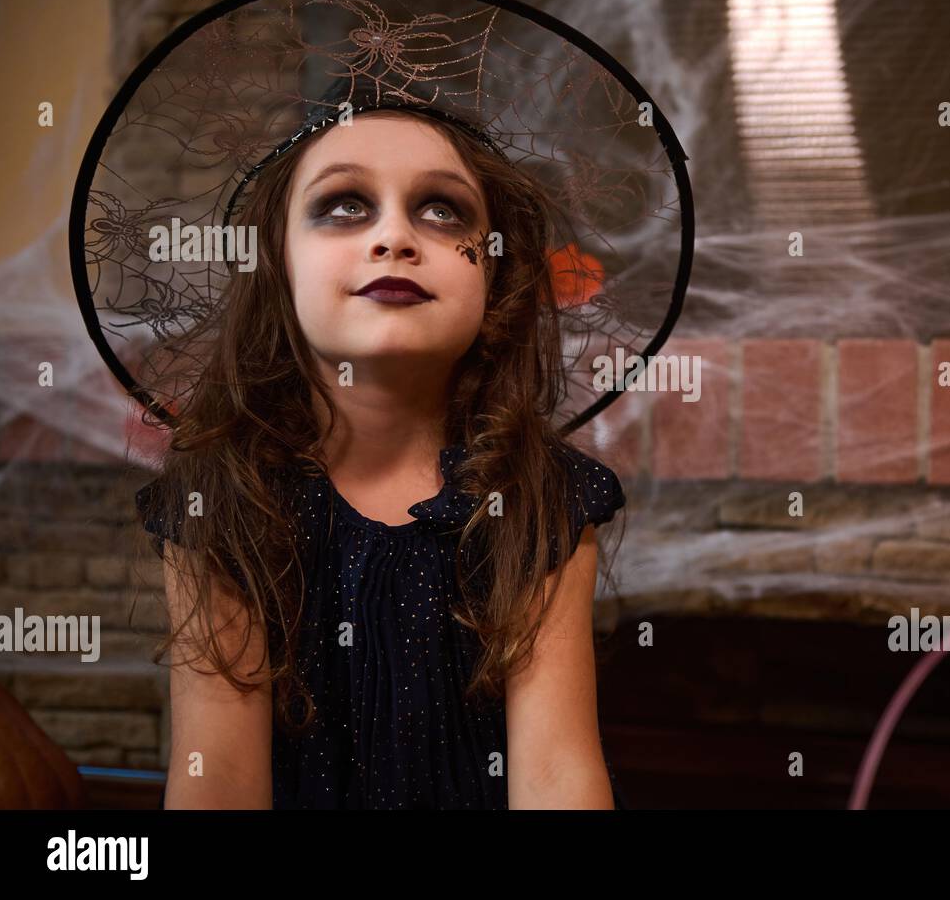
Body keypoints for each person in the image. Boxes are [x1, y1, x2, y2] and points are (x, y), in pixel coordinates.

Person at [134, 87, 629, 809]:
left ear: (493, 275)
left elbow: (556, 775)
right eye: (344, 205)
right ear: (278, 262)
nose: (395, 235)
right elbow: (219, 780)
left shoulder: (539, 498)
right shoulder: (225, 496)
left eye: (442, 209)